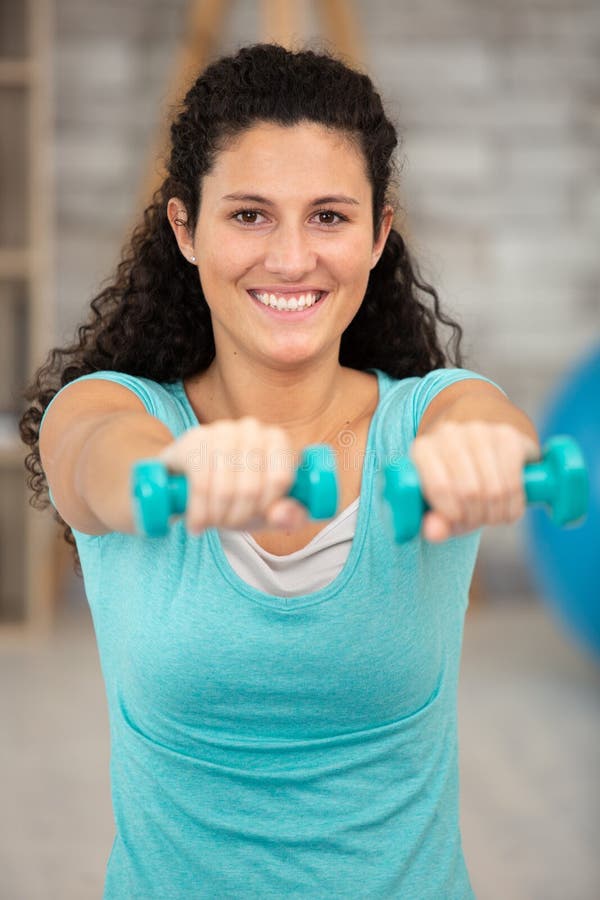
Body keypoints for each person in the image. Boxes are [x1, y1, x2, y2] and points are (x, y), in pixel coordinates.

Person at [22, 43, 540, 899]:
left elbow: (488, 422)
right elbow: (92, 460)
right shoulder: (114, 411)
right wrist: (178, 469)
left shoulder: (427, 416)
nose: (292, 259)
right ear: (186, 229)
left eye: (330, 217)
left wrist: (489, 454)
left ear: (378, 235)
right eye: (251, 215)